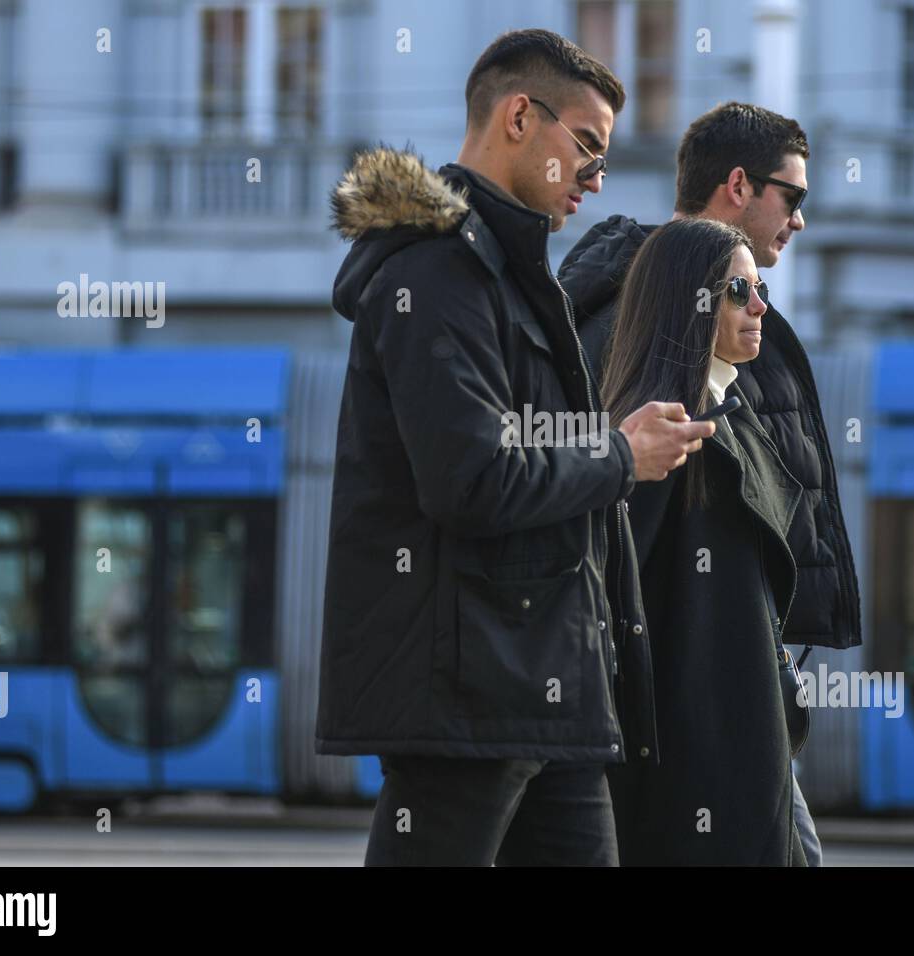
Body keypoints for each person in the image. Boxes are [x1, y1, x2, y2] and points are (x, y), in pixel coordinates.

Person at [315, 28, 714, 866]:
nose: (598, 178)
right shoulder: (436, 275)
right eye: (588, 148)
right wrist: (620, 454)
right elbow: (471, 477)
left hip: (542, 683)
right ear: (520, 116)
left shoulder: (509, 276)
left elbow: (528, 447)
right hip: (469, 691)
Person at [559, 101, 863, 866]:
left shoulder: (729, 330)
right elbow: (611, 561)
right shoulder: (631, 337)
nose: (798, 221)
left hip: (740, 683)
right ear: (738, 184)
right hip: (693, 705)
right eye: (791, 197)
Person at [598, 216, 805, 865]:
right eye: (738, 291)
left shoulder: (729, 420)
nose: (760, 306)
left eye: (759, 288)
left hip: (740, 751)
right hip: (690, 770)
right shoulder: (663, 437)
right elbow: (611, 608)